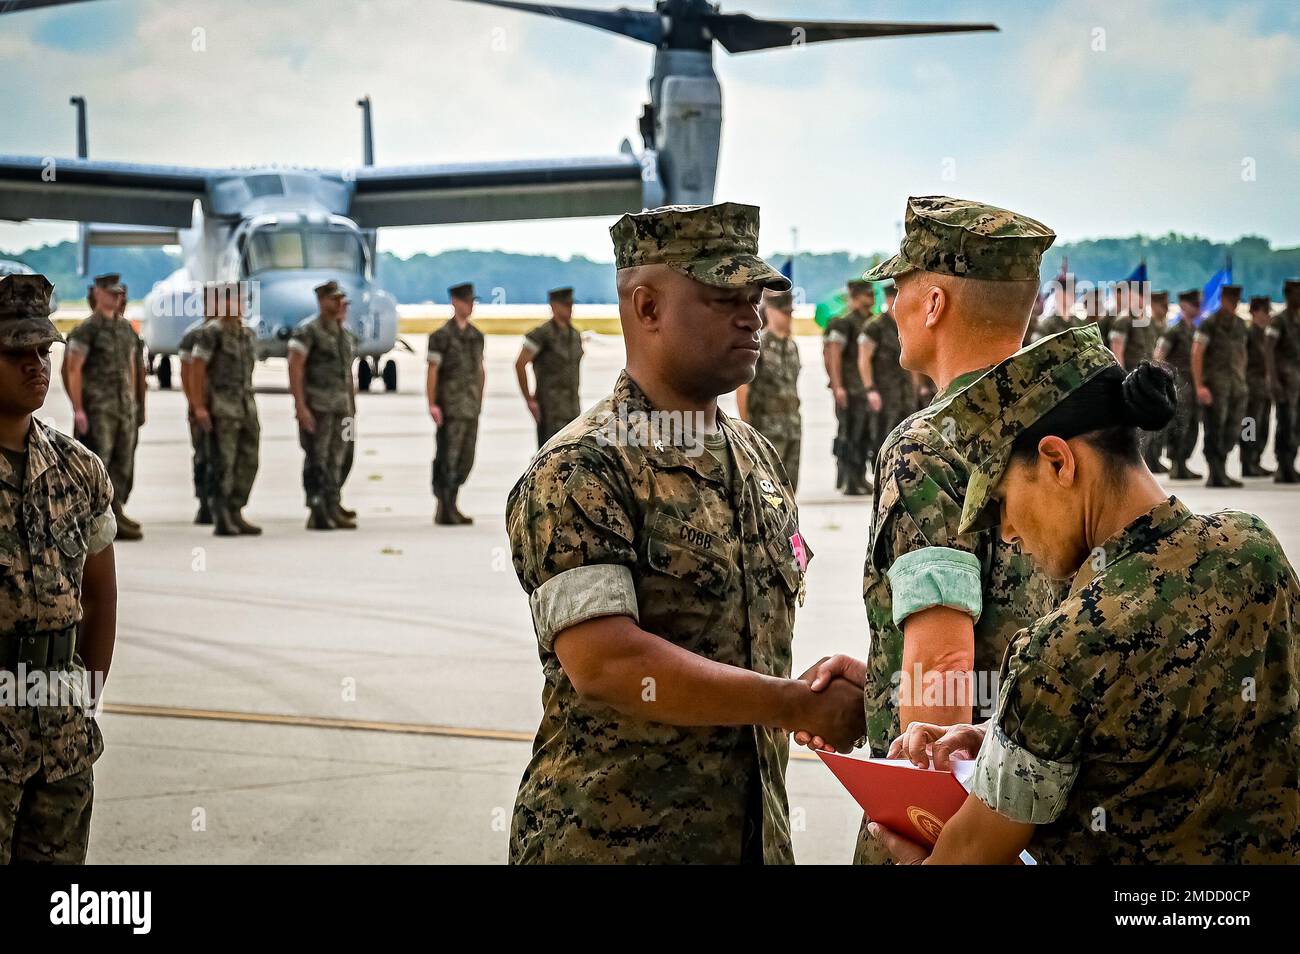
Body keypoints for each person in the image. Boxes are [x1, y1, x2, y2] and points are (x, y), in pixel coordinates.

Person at [505, 202, 862, 864]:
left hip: (751, 841)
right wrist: (793, 705)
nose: (751, 316)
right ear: (647, 308)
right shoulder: (582, 467)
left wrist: (829, 691)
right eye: (723, 297)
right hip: (616, 846)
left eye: (755, 297)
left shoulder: (755, 457)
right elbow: (609, 664)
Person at [868, 331, 1299, 865]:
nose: (1005, 531)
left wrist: (909, 855)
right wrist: (998, 739)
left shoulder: (1061, 646)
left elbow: (966, 857)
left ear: (1058, 462)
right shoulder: (1254, 550)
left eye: (1002, 500)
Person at [792, 195, 1066, 865]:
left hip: (967, 808)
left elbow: (943, 668)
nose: (891, 307)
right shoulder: (1073, 426)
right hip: (1047, 790)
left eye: (900, 288)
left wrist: (922, 832)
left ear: (936, 302)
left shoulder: (931, 444)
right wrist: (885, 677)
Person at [0, 274, 118, 863]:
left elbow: (101, 596)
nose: (36, 367)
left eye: (42, 352)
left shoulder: (79, 470)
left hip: (61, 742)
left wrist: (84, 699)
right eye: (15, 354)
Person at [63, 273, 142, 540]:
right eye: (110, 293)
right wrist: (79, 409)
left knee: (123, 462)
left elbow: (132, 368)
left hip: (123, 408)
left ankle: (115, 512)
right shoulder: (86, 330)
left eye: (118, 293)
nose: (116, 297)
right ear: (96, 293)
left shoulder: (125, 329)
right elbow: (73, 370)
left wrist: (134, 402)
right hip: (98, 409)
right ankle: (94, 520)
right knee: (97, 463)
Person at [189, 283, 261, 537]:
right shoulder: (212, 333)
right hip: (222, 407)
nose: (237, 304)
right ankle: (221, 515)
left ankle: (236, 509)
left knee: (249, 460)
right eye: (231, 299)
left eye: (240, 299)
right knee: (223, 462)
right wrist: (198, 407)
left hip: (246, 406)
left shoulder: (247, 334)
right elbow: (197, 368)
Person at [289, 280, 358, 530]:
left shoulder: (344, 334)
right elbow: (295, 368)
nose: (340, 303)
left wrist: (353, 406)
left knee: (340, 457)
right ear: (321, 301)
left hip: (343, 409)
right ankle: (317, 508)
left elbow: (348, 373)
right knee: (318, 458)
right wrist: (300, 406)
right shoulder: (308, 331)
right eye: (334, 299)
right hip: (318, 406)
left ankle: (332, 503)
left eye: (341, 299)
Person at [427, 282, 484, 525]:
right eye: (465, 301)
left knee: (465, 458)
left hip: (470, 406)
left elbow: (480, 369)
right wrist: (432, 404)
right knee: (446, 457)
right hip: (449, 406)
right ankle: (445, 506)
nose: (470, 305)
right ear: (454, 301)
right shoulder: (441, 336)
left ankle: (453, 502)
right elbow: (432, 372)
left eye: (472, 301)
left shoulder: (476, 336)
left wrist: (479, 397)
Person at [737, 289, 801, 490]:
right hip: (766, 428)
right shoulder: (759, 345)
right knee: (768, 488)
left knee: (790, 488)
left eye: (791, 312)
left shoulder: (792, 346)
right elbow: (743, 388)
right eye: (785, 313)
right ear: (771, 311)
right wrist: (746, 428)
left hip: (792, 426)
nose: (789, 317)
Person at [1192, 283, 1248, 488]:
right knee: (1214, 429)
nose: (1233, 304)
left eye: (1236, 300)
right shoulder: (1209, 323)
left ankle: (1222, 468)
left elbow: (1244, 354)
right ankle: (1216, 472)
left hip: (1237, 386)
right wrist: (1199, 386)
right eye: (1230, 299)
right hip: (1216, 386)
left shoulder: (1241, 324)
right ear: (1222, 299)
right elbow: (1197, 353)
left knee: (1233, 430)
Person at [857, 280, 915, 472]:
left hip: (904, 394)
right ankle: (881, 477)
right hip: (883, 392)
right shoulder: (875, 327)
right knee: (882, 438)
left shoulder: (905, 324)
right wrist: (870, 389)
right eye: (893, 298)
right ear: (889, 299)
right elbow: (863, 359)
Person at [515, 286, 583, 447]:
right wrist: (529, 399)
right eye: (565, 305)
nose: (570, 309)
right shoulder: (542, 335)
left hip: (573, 410)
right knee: (550, 461)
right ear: (553, 306)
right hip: (550, 411)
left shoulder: (574, 335)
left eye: (571, 305)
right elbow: (520, 364)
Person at [824, 279, 873, 495]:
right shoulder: (842, 322)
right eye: (866, 296)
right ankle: (848, 480)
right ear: (855, 297)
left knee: (863, 436)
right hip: (849, 391)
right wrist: (838, 387)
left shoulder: (869, 321)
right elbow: (832, 356)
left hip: (864, 391)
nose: (870, 300)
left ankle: (860, 477)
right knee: (849, 435)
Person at [1109, 282, 1164, 473]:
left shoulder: (1148, 323)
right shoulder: (1123, 321)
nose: (1139, 300)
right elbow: (1117, 352)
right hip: (1130, 383)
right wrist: (1122, 380)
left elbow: (1154, 352)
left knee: (1147, 428)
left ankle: (1143, 465)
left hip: (1147, 383)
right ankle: (1128, 468)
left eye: (1142, 296)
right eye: (1135, 296)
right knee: (1131, 428)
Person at [1153, 289, 1202, 480]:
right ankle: (1176, 464)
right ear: (1183, 306)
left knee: (1192, 425)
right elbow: (1159, 356)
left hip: (1192, 384)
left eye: (1198, 304)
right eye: (1194, 304)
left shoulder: (1194, 330)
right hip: (1178, 386)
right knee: (1179, 425)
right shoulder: (1173, 331)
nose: (1198, 308)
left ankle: (1183, 463)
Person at [177, 313, 215, 524]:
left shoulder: (238, 333)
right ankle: (205, 504)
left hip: (228, 408)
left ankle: (224, 505)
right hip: (202, 407)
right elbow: (186, 372)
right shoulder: (194, 336)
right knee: (203, 456)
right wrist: (195, 405)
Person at [1268, 279, 1300, 483]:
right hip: (1284, 382)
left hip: (1297, 384)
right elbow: (1269, 350)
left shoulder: (1297, 320)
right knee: (1285, 424)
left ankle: (1291, 464)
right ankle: (1283, 466)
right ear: (1289, 295)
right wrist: (1272, 379)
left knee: (1296, 425)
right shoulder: (1279, 321)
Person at [1241, 295, 1275, 478]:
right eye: (1264, 311)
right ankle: (1247, 462)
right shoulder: (1248, 334)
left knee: (1263, 427)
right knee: (1250, 426)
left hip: (1264, 388)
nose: (1267, 315)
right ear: (1254, 312)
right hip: (1251, 387)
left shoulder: (1266, 334)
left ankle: (1256, 461)